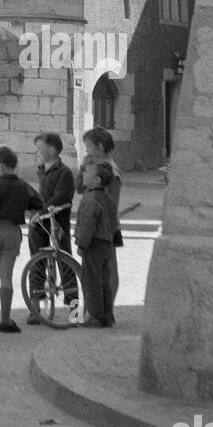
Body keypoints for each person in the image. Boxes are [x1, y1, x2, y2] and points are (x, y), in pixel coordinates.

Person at [0, 147, 44, 333]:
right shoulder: (23, 186)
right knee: (6, 276)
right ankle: (5, 320)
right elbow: (38, 203)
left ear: (1, 166)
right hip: (12, 231)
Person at [26, 131, 77, 325]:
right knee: (36, 263)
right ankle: (35, 307)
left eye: (40, 148)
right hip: (40, 223)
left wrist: (44, 210)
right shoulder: (41, 169)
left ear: (53, 149)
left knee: (66, 264)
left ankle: (74, 312)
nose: (37, 151)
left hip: (57, 222)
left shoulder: (64, 172)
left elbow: (61, 197)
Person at [76, 126, 123, 324]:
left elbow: (107, 205)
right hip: (102, 231)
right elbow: (79, 188)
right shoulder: (94, 168)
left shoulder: (109, 173)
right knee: (102, 273)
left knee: (104, 274)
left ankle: (100, 313)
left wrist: (84, 239)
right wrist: (83, 168)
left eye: (89, 148)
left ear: (100, 147)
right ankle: (98, 312)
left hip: (102, 232)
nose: (86, 151)